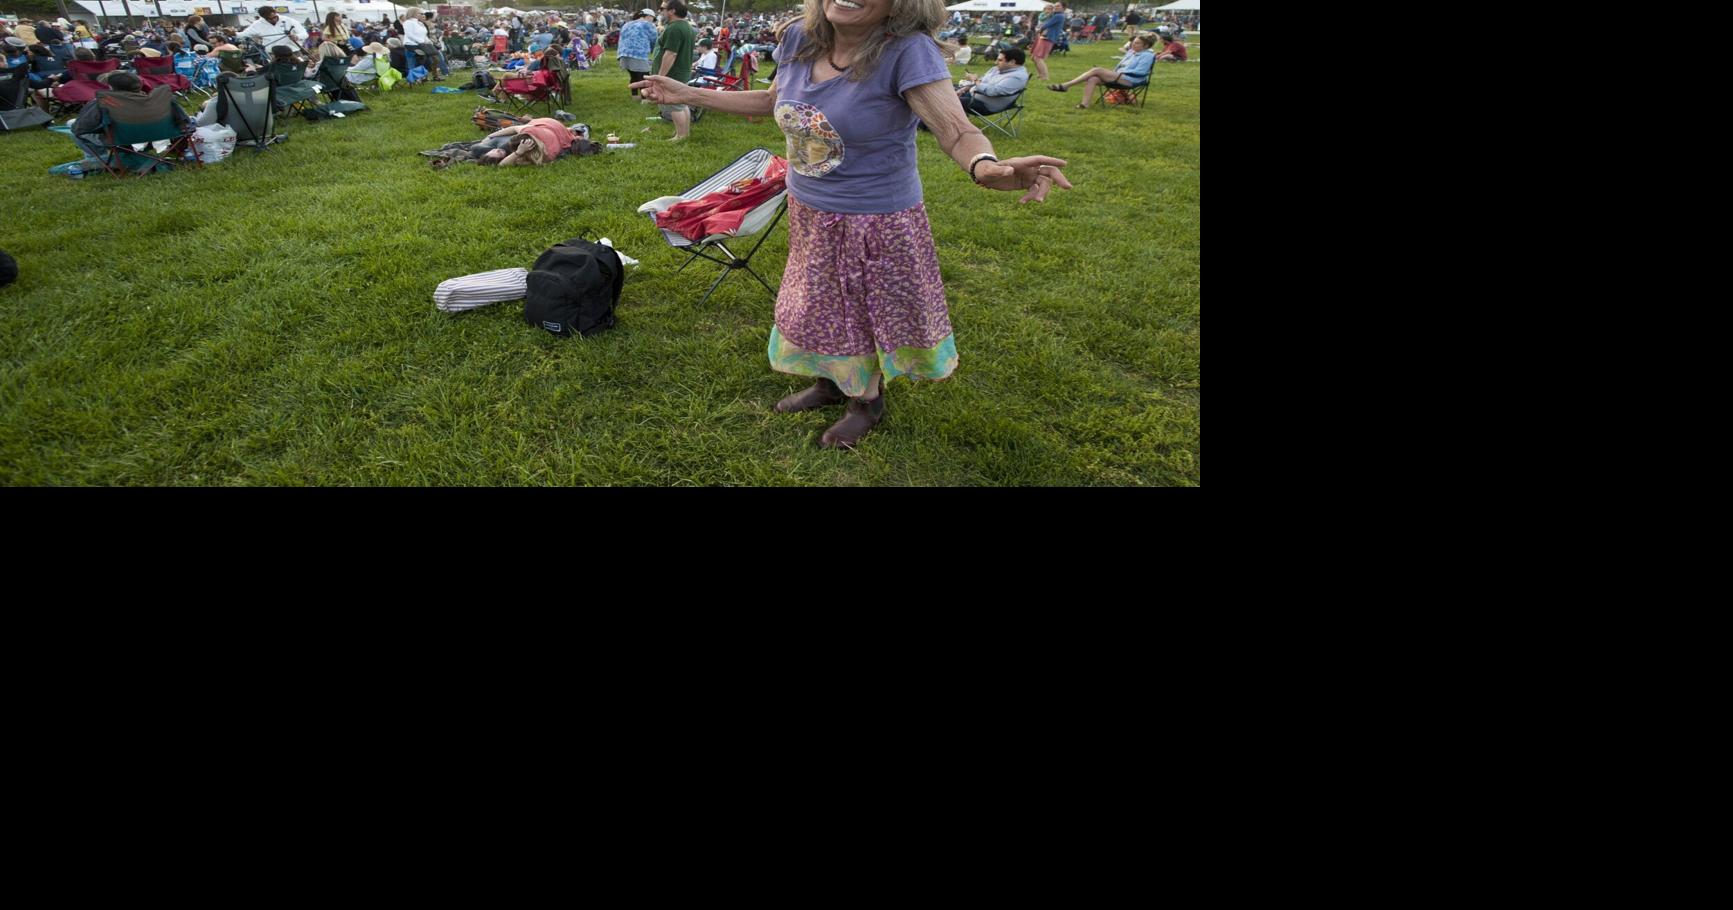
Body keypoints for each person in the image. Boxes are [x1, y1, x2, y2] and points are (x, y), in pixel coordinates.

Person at [633, 0, 1071, 449]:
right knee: (818, 303)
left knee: (864, 314)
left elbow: (955, 129)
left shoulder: (906, 50)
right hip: (811, 208)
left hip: (876, 216)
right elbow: (772, 100)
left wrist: (984, 166)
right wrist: (686, 93)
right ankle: (830, 381)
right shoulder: (798, 38)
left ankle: (866, 402)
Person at [1046, 33, 1151, 106]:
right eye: (1134, 42)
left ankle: (1066, 85)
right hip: (1119, 76)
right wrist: (1114, 73)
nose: (1133, 44)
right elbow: (1121, 65)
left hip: (1132, 80)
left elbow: (1141, 72)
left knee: (1097, 70)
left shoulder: (1148, 55)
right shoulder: (1130, 52)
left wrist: (1119, 73)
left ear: (1145, 46)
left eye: (1137, 43)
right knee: (1093, 78)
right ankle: (1084, 104)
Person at [647, 0, 696, 141]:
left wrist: (659, 77)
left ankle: (680, 136)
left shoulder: (674, 28)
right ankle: (684, 134)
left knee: (675, 105)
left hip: (673, 73)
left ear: (672, 11)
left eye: (663, 8)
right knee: (681, 103)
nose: (661, 11)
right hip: (682, 71)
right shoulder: (687, 26)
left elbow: (671, 54)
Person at [957, 47, 1026, 114]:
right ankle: (959, 117)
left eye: (1000, 60)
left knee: (950, 99)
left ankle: (956, 121)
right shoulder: (997, 69)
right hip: (974, 95)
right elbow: (982, 81)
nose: (995, 62)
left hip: (985, 105)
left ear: (1012, 62)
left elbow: (992, 91)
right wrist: (964, 89)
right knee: (949, 90)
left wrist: (975, 80)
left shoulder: (1016, 77)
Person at [238, 6, 307, 59]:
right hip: (273, 55)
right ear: (263, 17)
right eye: (269, 19)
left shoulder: (288, 20)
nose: (273, 20)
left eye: (275, 17)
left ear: (275, 12)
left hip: (293, 52)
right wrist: (234, 33)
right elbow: (243, 34)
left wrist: (297, 36)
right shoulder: (257, 24)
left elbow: (305, 34)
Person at [617, 8, 656, 95]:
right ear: (649, 16)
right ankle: (645, 98)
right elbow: (654, 40)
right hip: (638, 54)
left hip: (623, 53)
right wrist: (655, 51)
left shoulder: (627, 24)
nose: (653, 21)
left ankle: (634, 96)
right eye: (653, 18)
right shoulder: (647, 24)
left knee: (634, 75)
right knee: (644, 76)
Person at [1030, 1, 1064, 82]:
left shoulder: (1059, 16)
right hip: (1042, 36)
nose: (1055, 7)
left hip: (1047, 37)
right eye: (1055, 6)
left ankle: (1045, 77)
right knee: (1034, 57)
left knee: (1038, 58)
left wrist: (1039, 29)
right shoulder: (1055, 15)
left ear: (1063, 8)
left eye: (1058, 6)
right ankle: (1040, 75)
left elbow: (1047, 24)